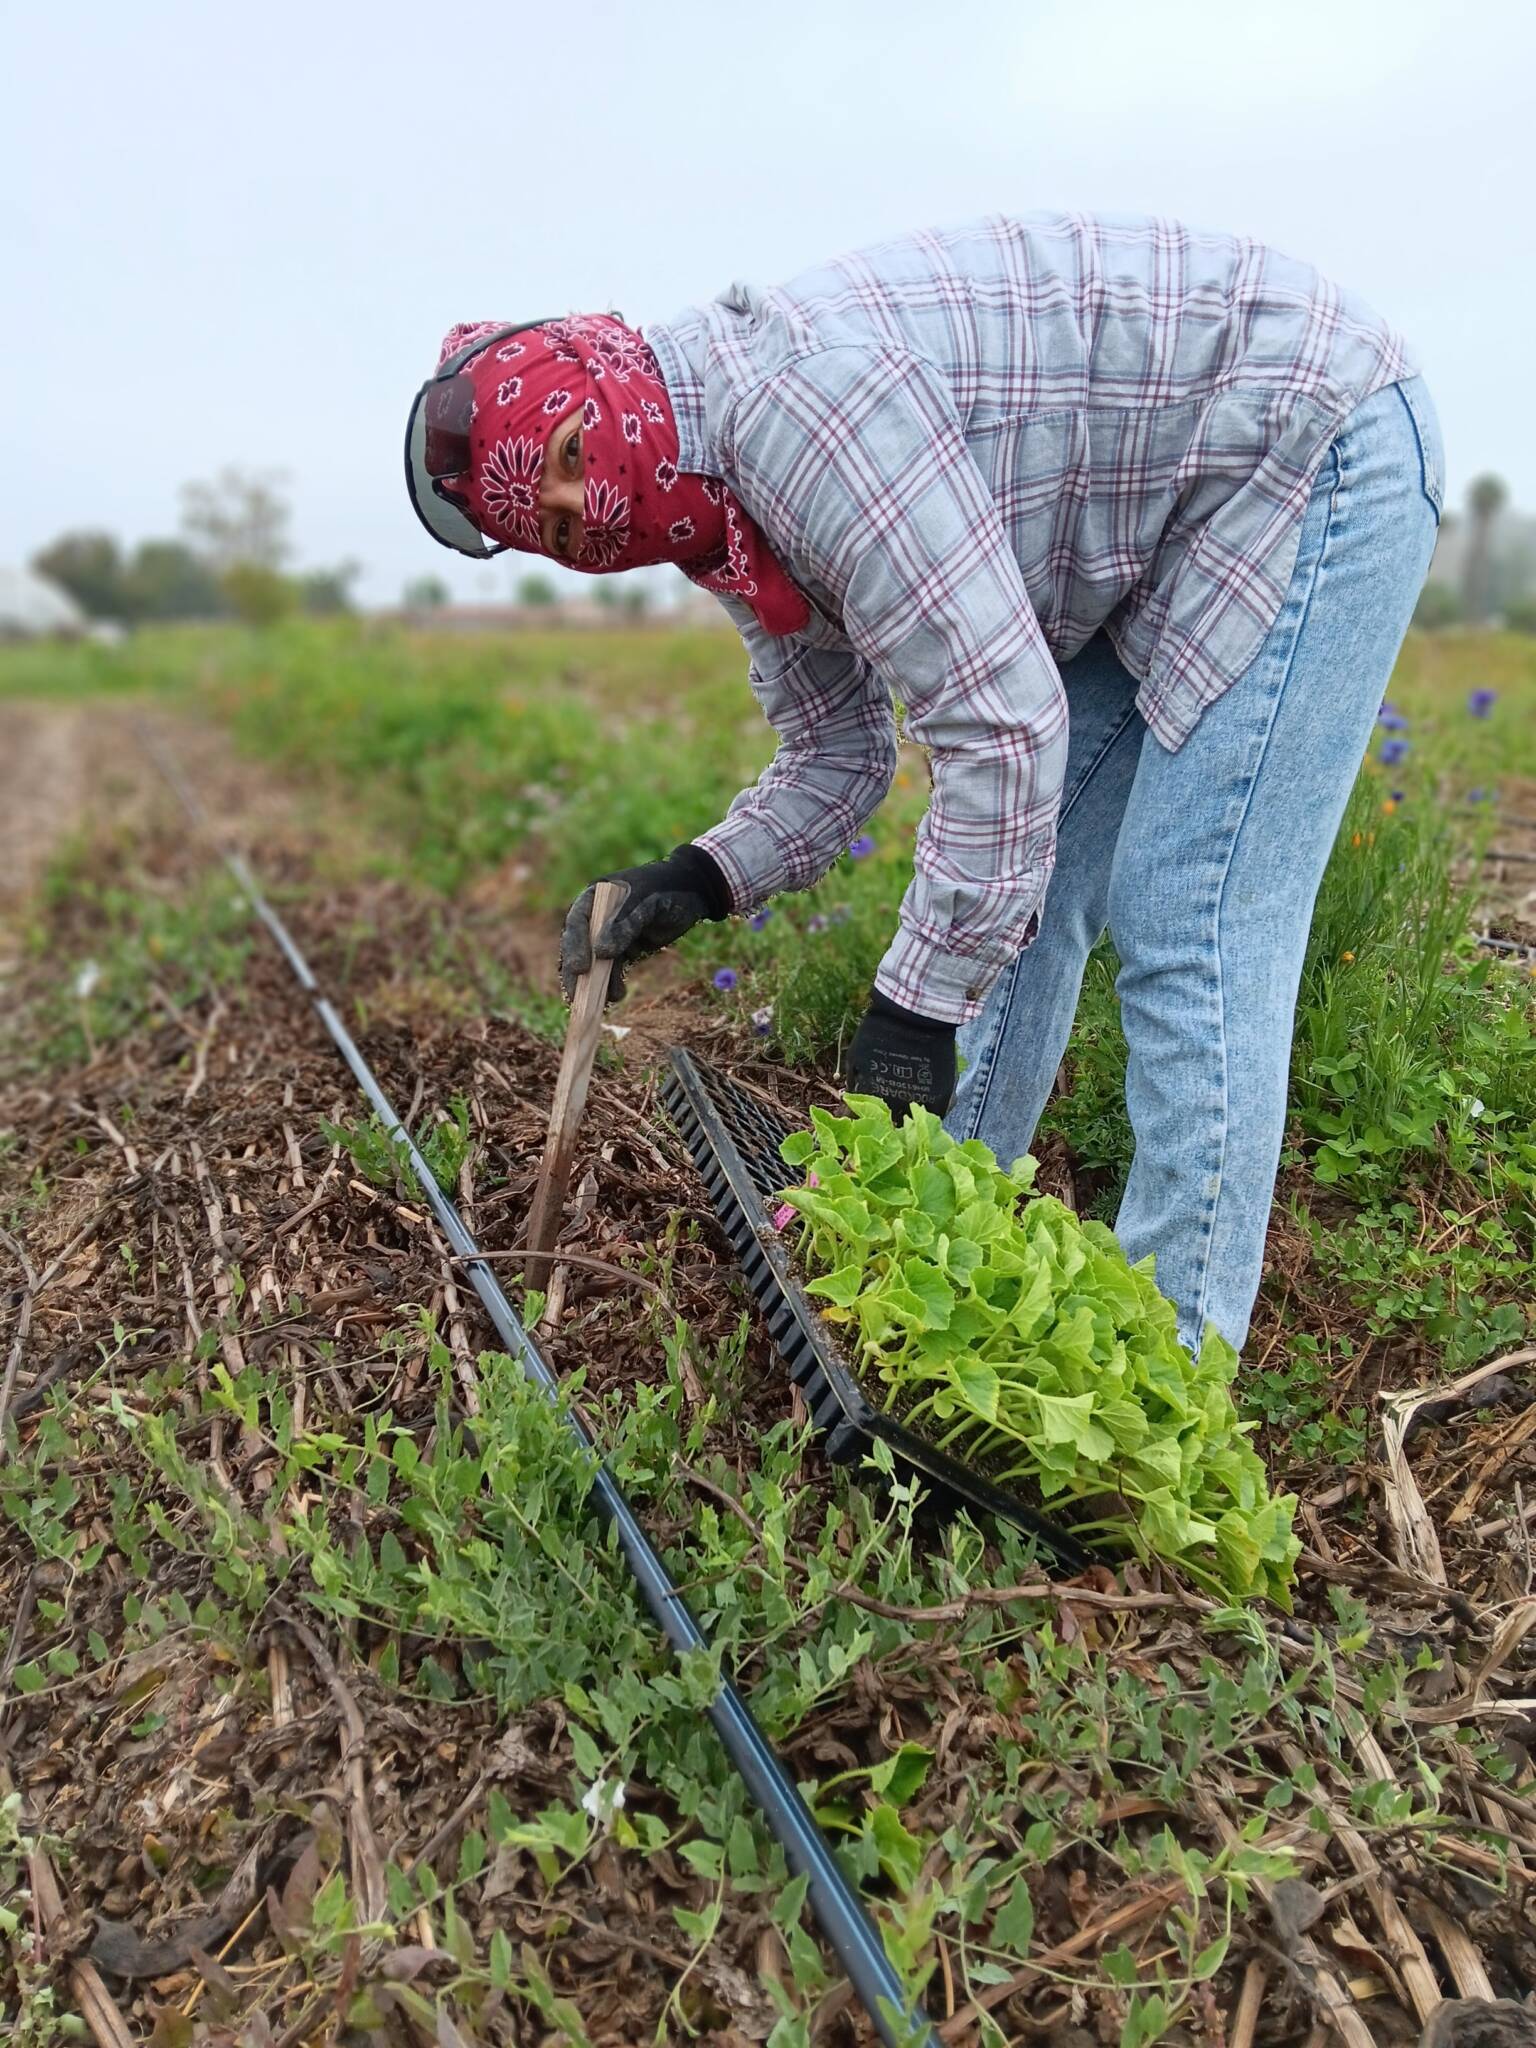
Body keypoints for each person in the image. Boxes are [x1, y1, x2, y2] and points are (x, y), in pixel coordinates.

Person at [403, 211, 1442, 1356]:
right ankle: (928, 1236)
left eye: (563, 460)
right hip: (1154, 517)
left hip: (1303, 435)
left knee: (1187, 908)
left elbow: (1000, 728)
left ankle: (1173, 1382)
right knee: (1026, 894)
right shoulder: (720, 512)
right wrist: (698, 877)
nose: (581, 513)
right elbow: (837, 758)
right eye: (548, 523)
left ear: (601, 378)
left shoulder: (796, 419)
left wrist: (913, 1011)